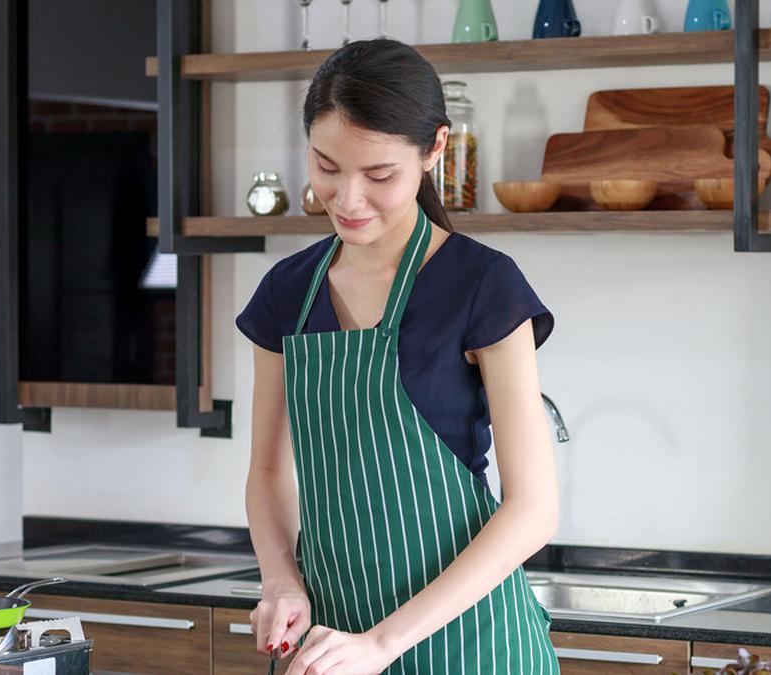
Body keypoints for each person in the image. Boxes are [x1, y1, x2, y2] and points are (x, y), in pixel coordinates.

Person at [235, 38, 560, 674]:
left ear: (435, 149)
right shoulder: (287, 292)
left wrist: (384, 643)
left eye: (379, 175)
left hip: (472, 643)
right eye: (326, 166)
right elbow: (270, 473)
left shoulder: (481, 285)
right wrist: (279, 582)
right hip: (331, 644)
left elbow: (533, 510)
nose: (348, 199)